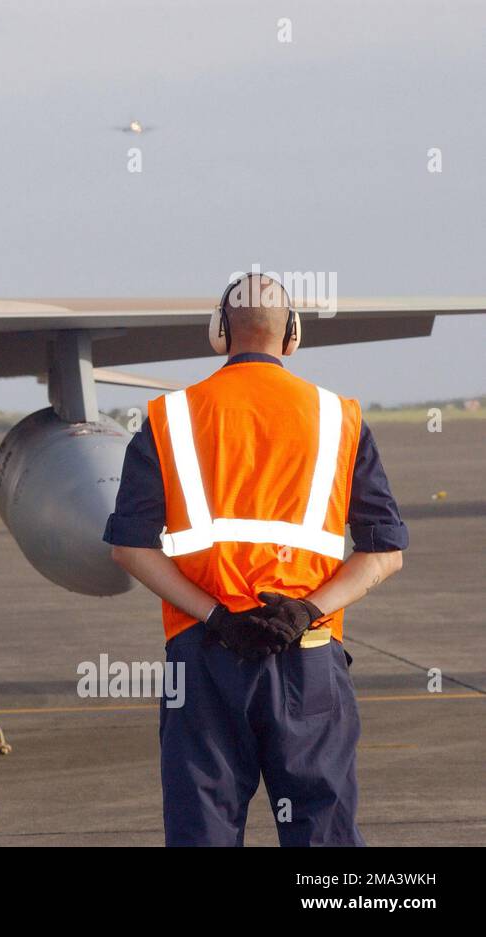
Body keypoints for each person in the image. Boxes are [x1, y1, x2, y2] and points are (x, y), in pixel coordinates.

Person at [104, 273, 407, 846]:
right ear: (292, 335)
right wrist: (304, 611)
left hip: (205, 657)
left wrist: (218, 616)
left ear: (220, 333)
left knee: (204, 831)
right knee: (323, 835)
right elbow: (383, 552)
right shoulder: (339, 418)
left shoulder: (169, 418)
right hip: (309, 655)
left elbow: (130, 548)